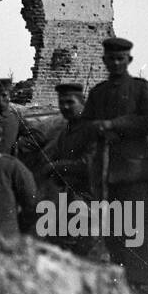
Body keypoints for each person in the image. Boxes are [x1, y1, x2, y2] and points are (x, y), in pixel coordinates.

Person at [82, 36, 148, 289]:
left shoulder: (141, 88)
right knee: (113, 228)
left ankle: (138, 281)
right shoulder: (97, 93)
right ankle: (119, 278)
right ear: (103, 60)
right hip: (107, 170)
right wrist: (98, 128)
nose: (115, 63)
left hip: (135, 170)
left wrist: (114, 126)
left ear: (129, 60)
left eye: (120, 59)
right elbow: (86, 124)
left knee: (135, 228)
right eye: (111, 59)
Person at [36, 83, 101, 258]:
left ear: (82, 103)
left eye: (70, 102)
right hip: (67, 199)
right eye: (61, 102)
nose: (64, 107)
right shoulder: (67, 131)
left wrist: (56, 167)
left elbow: (88, 165)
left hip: (89, 200)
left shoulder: (92, 129)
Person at [0, 78, 47, 167]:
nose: (0, 100)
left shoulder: (15, 116)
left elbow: (37, 136)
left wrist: (18, 146)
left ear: (9, 96)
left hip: (7, 165)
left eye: (4, 95)